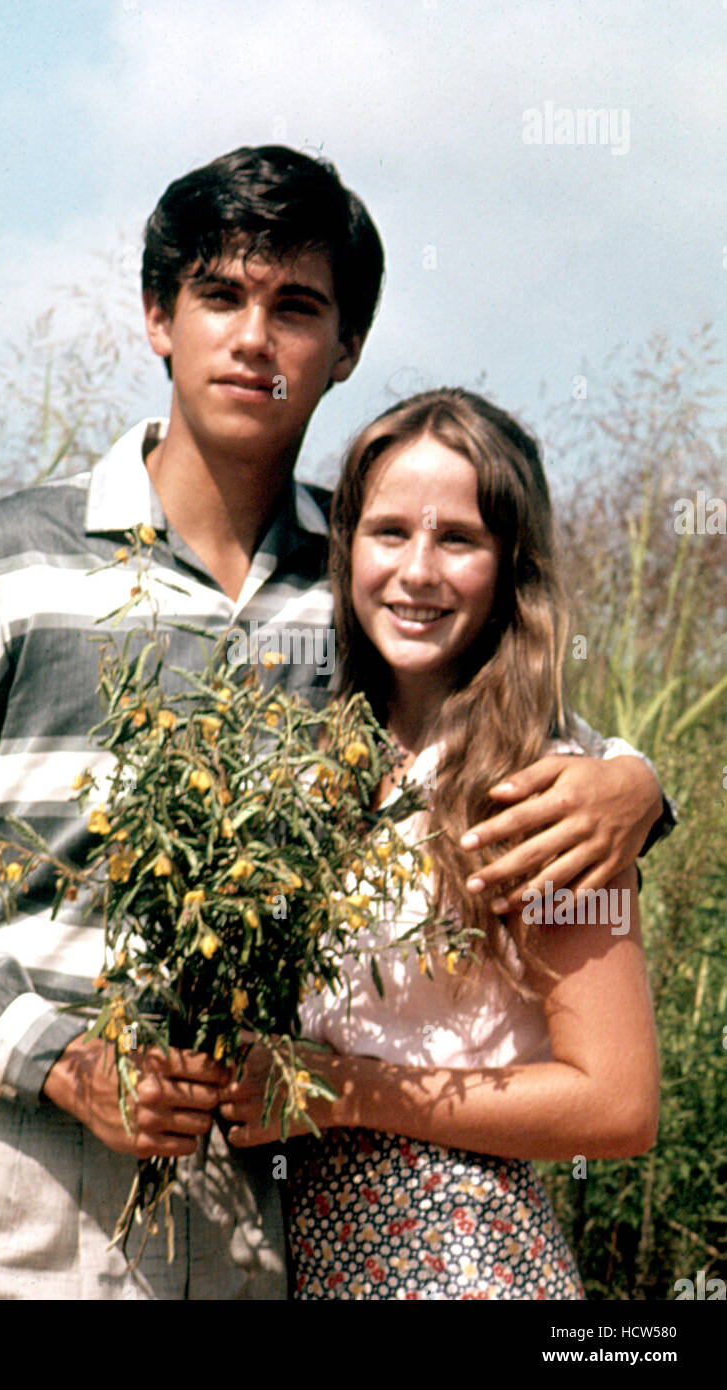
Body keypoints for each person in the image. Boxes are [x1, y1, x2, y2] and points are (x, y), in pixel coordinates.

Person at [0, 148, 667, 1301]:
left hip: (261, 1200)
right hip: (21, 1178)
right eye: (219, 294)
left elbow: (513, 733)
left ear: (347, 349)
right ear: (156, 316)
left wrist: (634, 781)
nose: (252, 338)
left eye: (297, 307)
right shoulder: (7, 559)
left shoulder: (370, 577)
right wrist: (53, 1059)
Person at [217, 388, 661, 1299]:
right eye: (388, 533)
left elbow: (617, 1106)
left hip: (462, 1257)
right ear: (346, 553)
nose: (417, 570)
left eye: (458, 539)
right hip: (295, 1252)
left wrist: (346, 1090)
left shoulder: (542, 789)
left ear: (509, 567)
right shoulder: (313, 765)